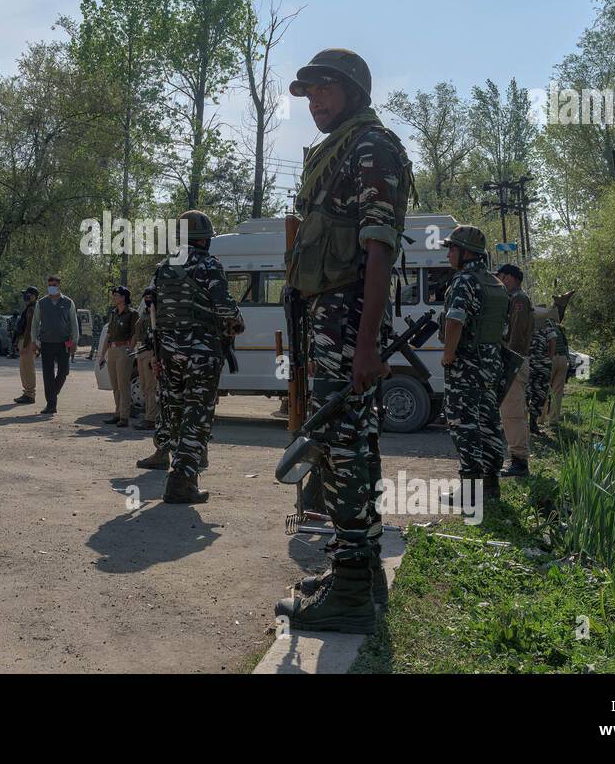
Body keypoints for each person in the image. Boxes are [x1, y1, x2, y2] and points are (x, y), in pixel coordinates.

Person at [272, 48, 412, 635]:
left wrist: (364, 344)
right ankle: (357, 574)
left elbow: (379, 247)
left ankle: (352, 592)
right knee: (340, 446)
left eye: (326, 88)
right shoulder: (337, 150)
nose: (315, 100)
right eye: (308, 93)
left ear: (353, 90)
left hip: (347, 325)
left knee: (347, 449)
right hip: (328, 326)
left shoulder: (370, 146)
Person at [142, 211, 243, 500]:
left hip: (169, 353)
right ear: (205, 240)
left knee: (175, 411)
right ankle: (183, 481)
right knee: (196, 414)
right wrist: (237, 321)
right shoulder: (210, 265)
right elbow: (225, 308)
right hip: (201, 353)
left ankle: (180, 470)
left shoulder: (164, 267)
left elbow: (151, 306)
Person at [438, 225, 509, 509]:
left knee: (463, 425)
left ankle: (470, 492)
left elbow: (455, 319)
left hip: (465, 366)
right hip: (490, 366)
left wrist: (448, 355)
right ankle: (491, 485)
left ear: (467, 253)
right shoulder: (495, 283)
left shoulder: (464, 281)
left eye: (452, 248)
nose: (448, 254)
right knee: (488, 424)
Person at [496, 263, 534, 477]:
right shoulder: (515, 298)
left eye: (500, 276)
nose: (498, 281)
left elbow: (517, 336)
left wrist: (508, 359)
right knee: (510, 413)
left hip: (514, 361)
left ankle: (519, 462)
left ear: (509, 278)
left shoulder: (518, 299)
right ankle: (517, 459)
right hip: (514, 360)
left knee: (513, 414)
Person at [30, 274, 79, 415]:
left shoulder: (68, 302)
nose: (52, 287)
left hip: (64, 343)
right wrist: (34, 341)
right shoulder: (42, 303)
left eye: (54, 285)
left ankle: (52, 394)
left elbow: (74, 324)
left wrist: (75, 342)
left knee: (64, 371)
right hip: (46, 343)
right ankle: (51, 405)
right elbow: (35, 324)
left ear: (59, 286)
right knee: (48, 374)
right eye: (50, 285)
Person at [99, 286, 138, 428]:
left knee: (123, 385)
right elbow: (108, 335)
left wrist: (130, 348)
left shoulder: (132, 314)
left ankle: (124, 416)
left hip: (124, 350)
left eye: (116, 295)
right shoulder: (114, 313)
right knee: (115, 385)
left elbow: (135, 334)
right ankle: (117, 413)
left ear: (123, 297)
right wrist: (102, 354)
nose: (114, 297)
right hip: (112, 350)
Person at [133, 287, 160, 432]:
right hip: (142, 351)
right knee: (144, 386)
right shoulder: (144, 313)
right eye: (146, 296)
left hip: (152, 353)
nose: (147, 299)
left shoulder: (159, 313)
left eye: (150, 296)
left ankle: (151, 419)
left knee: (150, 387)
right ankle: (148, 416)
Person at [526, 309, 555, 435]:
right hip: (529, 363)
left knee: (539, 394)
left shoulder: (546, 323)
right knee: (527, 393)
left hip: (540, 364)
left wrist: (549, 358)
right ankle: (524, 423)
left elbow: (552, 340)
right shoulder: (526, 321)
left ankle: (532, 423)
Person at [13, 286, 39, 404]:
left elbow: (29, 328)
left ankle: (29, 394)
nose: (26, 297)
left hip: (27, 341)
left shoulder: (32, 309)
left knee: (27, 369)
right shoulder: (31, 308)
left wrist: (25, 345)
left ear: (33, 296)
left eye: (28, 295)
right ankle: (28, 392)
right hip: (26, 341)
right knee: (25, 368)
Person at [545, 308, 570, 431]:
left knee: (544, 388)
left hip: (552, 358)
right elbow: (566, 345)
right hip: (563, 359)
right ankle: (553, 420)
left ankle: (540, 418)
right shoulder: (559, 328)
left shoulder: (544, 325)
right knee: (557, 392)